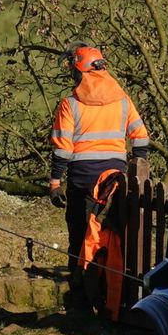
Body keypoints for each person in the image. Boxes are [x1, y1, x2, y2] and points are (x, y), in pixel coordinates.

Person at [47, 44, 150, 312]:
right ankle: (111, 295)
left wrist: (55, 183)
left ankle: (81, 300)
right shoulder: (124, 101)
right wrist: (135, 174)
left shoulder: (69, 104)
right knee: (111, 237)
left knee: (80, 236)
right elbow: (142, 139)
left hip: (82, 182)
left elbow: (62, 149)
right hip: (114, 182)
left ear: (78, 71)